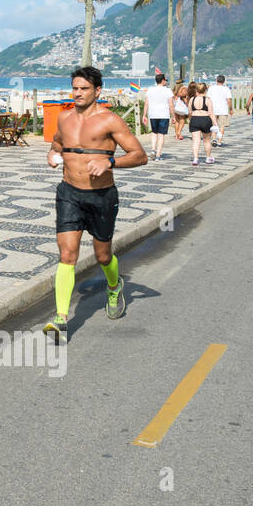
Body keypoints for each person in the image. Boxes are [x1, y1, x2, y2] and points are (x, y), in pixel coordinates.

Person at [44, 67, 148, 344]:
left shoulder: (110, 121)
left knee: (103, 256)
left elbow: (140, 156)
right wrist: (53, 155)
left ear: (97, 91)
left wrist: (109, 161)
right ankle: (60, 318)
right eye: (74, 88)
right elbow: (56, 144)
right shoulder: (64, 118)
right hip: (69, 194)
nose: (77, 93)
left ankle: (114, 286)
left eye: (83, 89)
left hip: (101, 197)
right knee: (67, 255)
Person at [141, 72, 173, 160]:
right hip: (164, 114)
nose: (166, 81)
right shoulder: (168, 90)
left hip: (153, 114)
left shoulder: (150, 90)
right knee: (161, 134)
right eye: (165, 80)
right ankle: (158, 155)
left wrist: (144, 114)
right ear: (162, 81)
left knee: (154, 133)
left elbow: (146, 103)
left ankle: (152, 150)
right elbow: (171, 104)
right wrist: (173, 116)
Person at [185, 82, 217, 166]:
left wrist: (191, 119)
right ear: (205, 90)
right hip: (205, 119)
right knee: (207, 140)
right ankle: (208, 158)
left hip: (195, 119)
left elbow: (189, 112)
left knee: (196, 141)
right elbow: (211, 113)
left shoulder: (192, 99)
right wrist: (215, 124)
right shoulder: (208, 99)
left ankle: (195, 158)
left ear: (196, 90)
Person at [206, 75, 232, 147]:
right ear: (224, 81)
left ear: (216, 80)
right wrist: (231, 109)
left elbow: (208, 98)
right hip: (223, 110)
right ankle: (219, 141)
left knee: (214, 125)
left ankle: (214, 139)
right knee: (222, 126)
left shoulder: (211, 88)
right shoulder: (226, 89)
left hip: (213, 109)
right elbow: (229, 100)